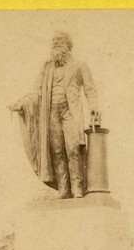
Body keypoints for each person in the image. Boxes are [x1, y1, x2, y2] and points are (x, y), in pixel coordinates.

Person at [12, 31, 100, 198]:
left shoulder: (79, 65)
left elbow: (90, 89)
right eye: (54, 44)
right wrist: (23, 103)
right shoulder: (46, 68)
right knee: (57, 151)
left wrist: (94, 107)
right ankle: (64, 187)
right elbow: (37, 92)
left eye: (60, 43)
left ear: (68, 46)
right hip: (52, 112)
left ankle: (77, 186)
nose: (57, 47)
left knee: (73, 148)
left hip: (70, 112)